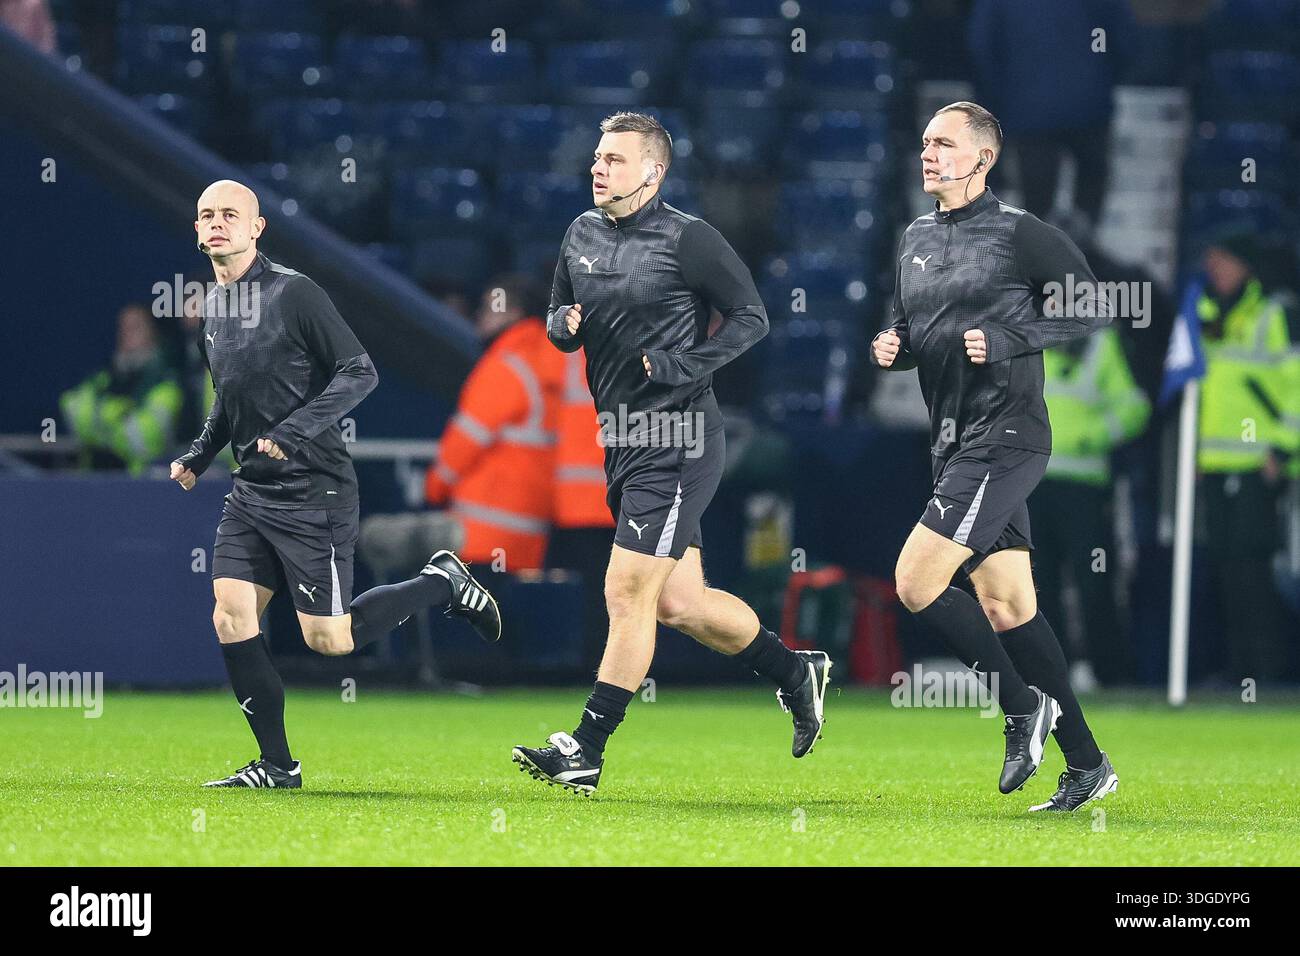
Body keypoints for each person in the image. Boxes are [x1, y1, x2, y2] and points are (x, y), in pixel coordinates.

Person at [511, 113, 830, 794]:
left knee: (625, 591)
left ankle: (587, 748)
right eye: (597, 157)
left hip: (679, 440)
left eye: (616, 160)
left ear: (654, 173)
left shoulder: (690, 238)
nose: (599, 169)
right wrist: (559, 328)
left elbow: (752, 318)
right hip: (623, 442)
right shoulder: (580, 233)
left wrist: (688, 365)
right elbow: (561, 322)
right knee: (681, 604)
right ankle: (796, 671)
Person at [171, 180, 501, 789]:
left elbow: (360, 370)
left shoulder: (294, 294)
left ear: (257, 227)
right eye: (206, 216)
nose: (217, 224)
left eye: (230, 215)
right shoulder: (212, 309)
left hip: (313, 489)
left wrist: (294, 432)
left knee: (330, 638)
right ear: (197, 230)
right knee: (230, 615)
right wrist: (199, 452)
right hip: (251, 493)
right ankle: (277, 766)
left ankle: (439, 582)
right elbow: (229, 399)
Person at [869, 102, 1116, 812]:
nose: (928, 153)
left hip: (1005, 437)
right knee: (1007, 605)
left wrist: (1011, 337)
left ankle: (1018, 708)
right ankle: (1087, 764)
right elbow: (919, 326)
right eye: (924, 143)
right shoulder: (914, 235)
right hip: (951, 441)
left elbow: (1094, 306)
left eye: (944, 144)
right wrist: (896, 344)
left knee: (915, 582)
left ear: (982, 159)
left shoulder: (1021, 235)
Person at [1194, 233, 1299, 685]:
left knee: (1254, 570)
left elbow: (1295, 389)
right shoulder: (1203, 313)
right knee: (1227, 571)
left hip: (1259, 465)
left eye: (1221, 260)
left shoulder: (1272, 315)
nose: (1213, 267)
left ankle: (1270, 673)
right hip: (1215, 466)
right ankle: (1242, 673)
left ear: (1244, 265)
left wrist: (1281, 448)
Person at [1030, 327, 1150, 687]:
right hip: (1032, 483)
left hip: (1084, 487)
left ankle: (1109, 673)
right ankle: (1050, 674)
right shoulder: (1024, 336)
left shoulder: (1101, 343)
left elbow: (1133, 407)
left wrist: (1091, 437)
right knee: (1038, 584)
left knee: (1094, 581)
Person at [425, 274, 558, 571]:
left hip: (481, 535)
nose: (479, 317)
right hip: (530, 536)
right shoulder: (547, 362)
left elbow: (464, 442)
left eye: (488, 309)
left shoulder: (504, 365)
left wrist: (434, 487)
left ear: (512, 313)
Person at [545, 344, 618, 670]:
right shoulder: (637, 335)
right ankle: (614, 670)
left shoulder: (567, 347)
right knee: (621, 594)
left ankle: (594, 668)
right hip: (619, 495)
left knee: (598, 593)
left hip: (582, 499)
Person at [61, 304, 184, 475]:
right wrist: (120, 415)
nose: (126, 334)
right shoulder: (103, 378)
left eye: (135, 327)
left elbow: (146, 440)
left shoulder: (167, 384)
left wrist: (102, 419)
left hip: (143, 487)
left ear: (154, 333)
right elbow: (73, 410)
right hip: (92, 482)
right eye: (122, 328)